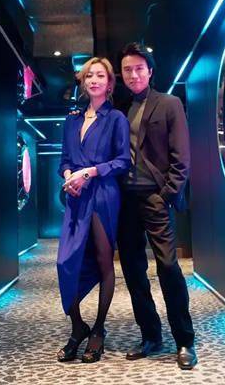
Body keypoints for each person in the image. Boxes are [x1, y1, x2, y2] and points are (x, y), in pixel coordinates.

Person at [116, 42, 197, 370]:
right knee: (133, 269)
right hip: (125, 200)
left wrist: (166, 195)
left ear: (150, 71)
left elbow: (182, 157)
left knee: (168, 267)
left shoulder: (169, 103)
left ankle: (185, 340)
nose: (133, 74)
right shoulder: (121, 108)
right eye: (127, 70)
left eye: (139, 68)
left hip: (155, 197)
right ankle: (151, 335)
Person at [56, 57, 131, 363]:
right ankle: (78, 326)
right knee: (65, 262)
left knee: (103, 261)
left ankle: (98, 329)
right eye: (89, 76)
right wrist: (68, 176)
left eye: (101, 75)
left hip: (102, 195)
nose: (94, 80)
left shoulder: (116, 119)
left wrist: (89, 172)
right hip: (76, 196)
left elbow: (123, 161)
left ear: (109, 83)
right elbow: (64, 160)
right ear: (83, 82)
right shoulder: (72, 120)